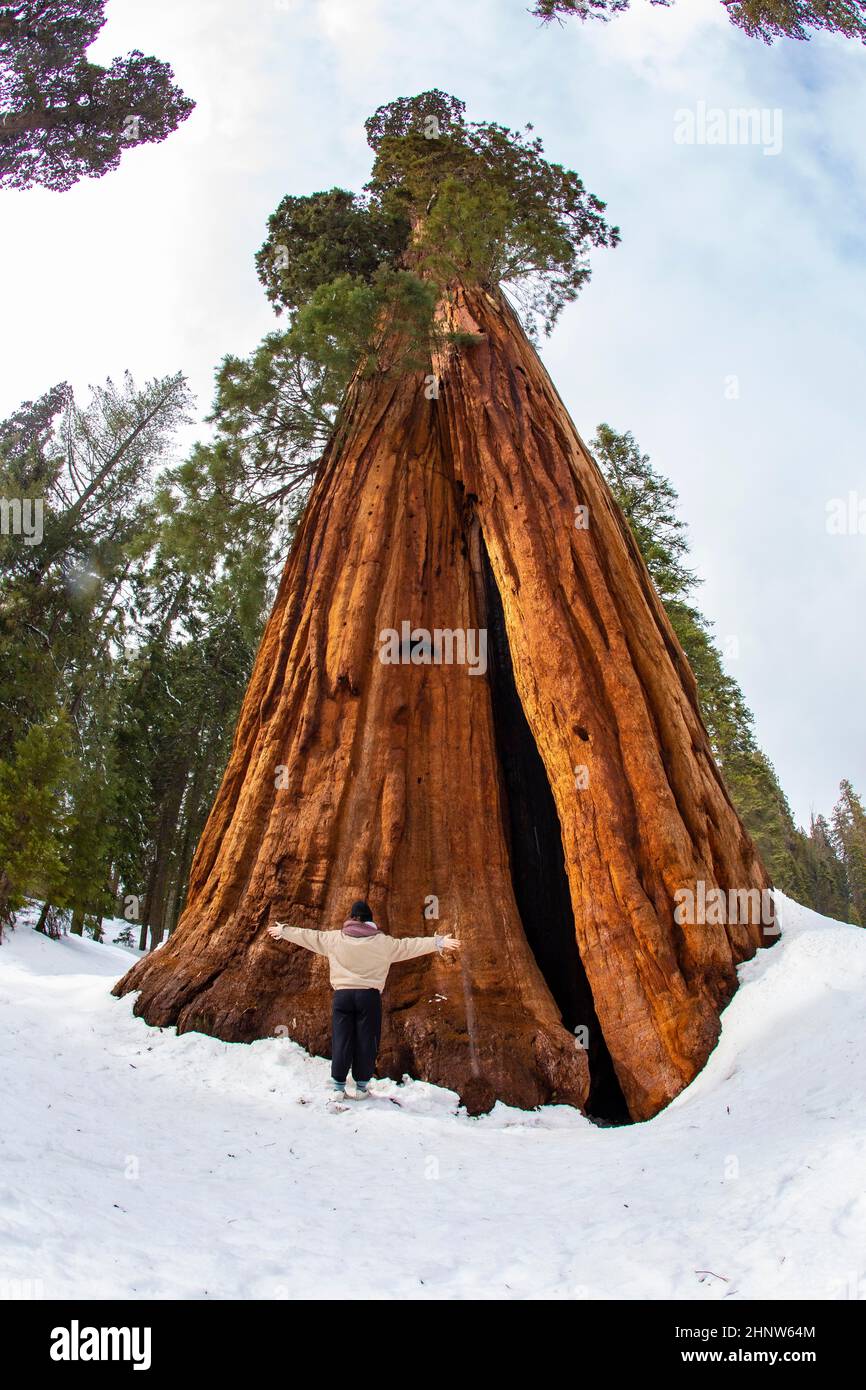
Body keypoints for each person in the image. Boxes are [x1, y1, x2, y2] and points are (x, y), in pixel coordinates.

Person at [266, 900, 459, 1099]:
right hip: (369, 997)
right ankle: (361, 1087)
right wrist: (437, 943)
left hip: (342, 996)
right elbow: (409, 945)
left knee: (342, 1039)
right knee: (367, 1041)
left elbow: (310, 936)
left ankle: (339, 1087)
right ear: (370, 921)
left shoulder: (335, 939)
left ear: (351, 918)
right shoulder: (383, 943)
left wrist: (284, 931)